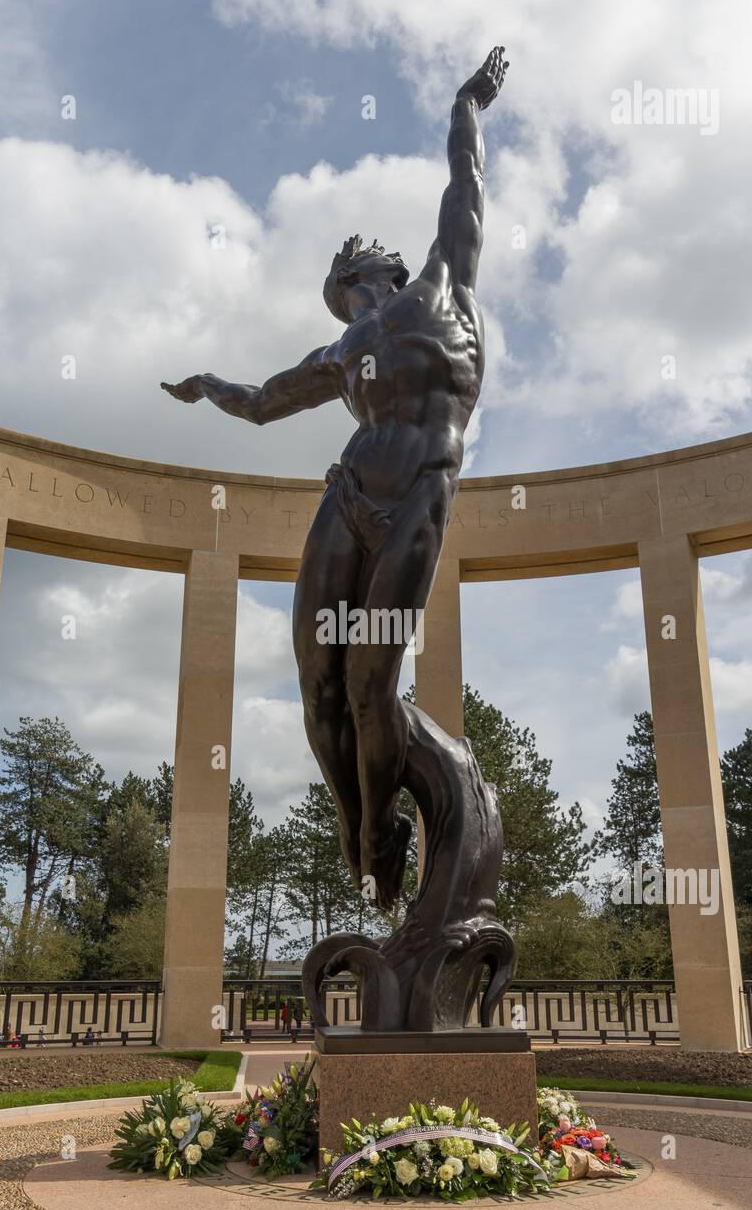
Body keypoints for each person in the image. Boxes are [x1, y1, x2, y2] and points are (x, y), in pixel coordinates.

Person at [162, 47, 509, 911]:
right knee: (317, 679)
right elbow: (261, 400)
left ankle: (378, 833)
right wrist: (208, 385)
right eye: (337, 290)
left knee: (367, 683)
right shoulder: (338, 353)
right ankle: (360, 830)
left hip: (417, 499)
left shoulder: (445, 285)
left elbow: (463, 177)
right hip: (346, 500)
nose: (346, 295)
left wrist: (469, 100)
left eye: (350, 282)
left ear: (379, 274)